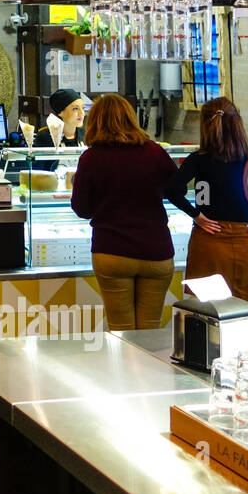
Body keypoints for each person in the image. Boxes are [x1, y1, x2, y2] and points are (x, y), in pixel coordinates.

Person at [70, 94, 178, 331]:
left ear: (95, 120)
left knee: (122, 331)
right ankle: (150, 369)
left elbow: (81, 209)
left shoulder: (91, 158)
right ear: (130, 118)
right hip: (156, 251)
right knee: (150, 330)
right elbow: (177, 190)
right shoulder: (154, 152)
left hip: (112, 252)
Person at [166, 97, 248, 302]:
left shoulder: (199, 159)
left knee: (208, 314)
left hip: (208, 239)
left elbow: (172, 189)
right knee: (244, 313)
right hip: (245, 239)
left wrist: (196, 215)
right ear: (238, 124)